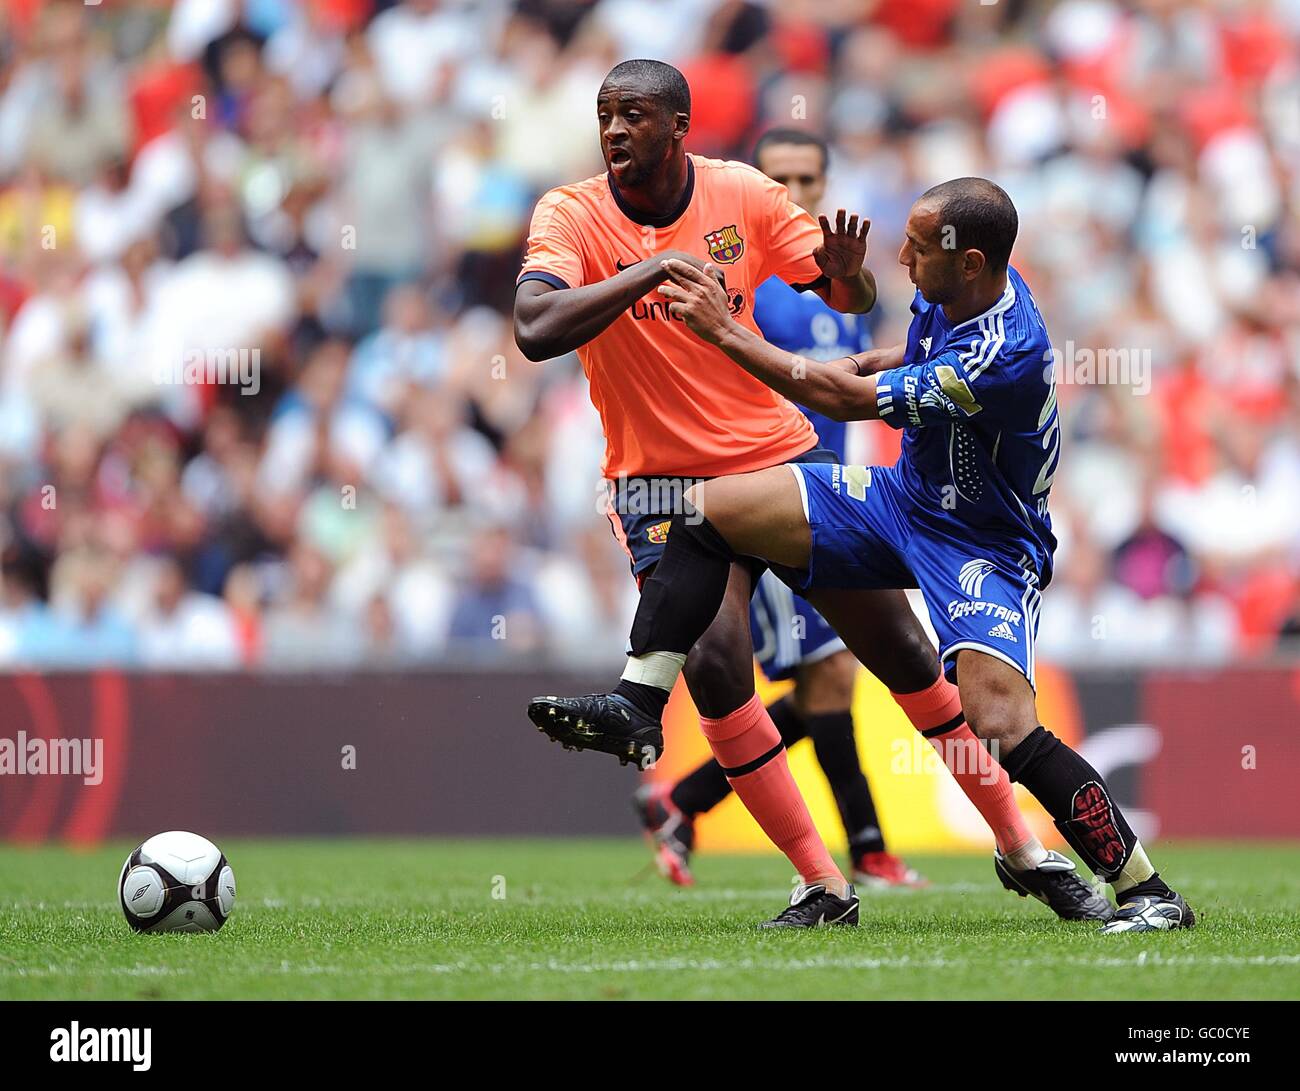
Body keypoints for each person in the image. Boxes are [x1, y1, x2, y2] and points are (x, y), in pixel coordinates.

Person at [518, 61, 1111, 928]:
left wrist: (849, 278)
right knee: (720, 667)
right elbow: (534, 330)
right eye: (605, 115)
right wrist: (647, 274)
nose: (614, 130)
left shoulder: (744, 195)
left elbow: (851, 292)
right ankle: (823, 883)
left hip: (774, 457)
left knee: (905, 656)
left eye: (634, 116)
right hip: (656, 481)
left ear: (679, 125)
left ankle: (1023, 849)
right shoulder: (569, 215)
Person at [633, 129, 923, 892]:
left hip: (826, 489)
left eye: (808, 176)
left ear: (827, 181)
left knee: (831, 677)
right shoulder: (751, 276)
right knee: (828, 677)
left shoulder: (834, 282)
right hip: (764, 495)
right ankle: (865, 850)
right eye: (780, 178)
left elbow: (849, 376)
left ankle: (683, 800)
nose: (794, 191)